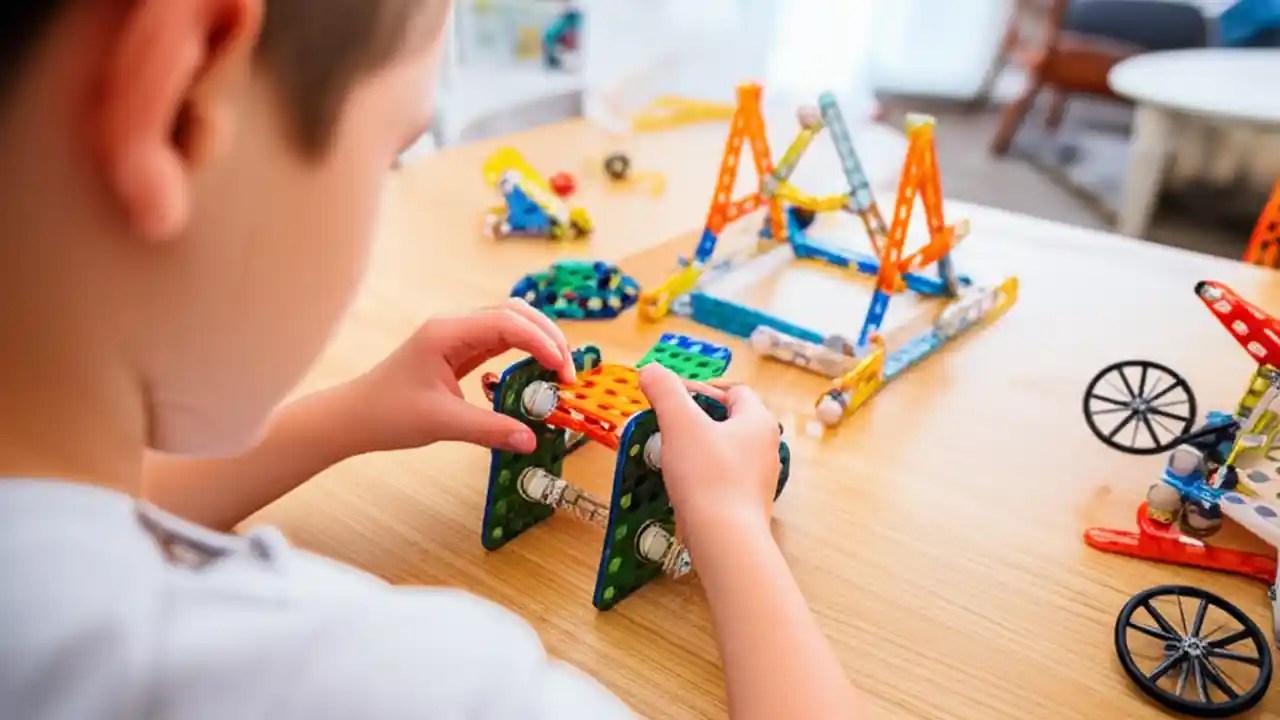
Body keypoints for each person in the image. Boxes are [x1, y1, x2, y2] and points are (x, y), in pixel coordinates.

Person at [0, 1, 862, 718]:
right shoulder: (403, 685)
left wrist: (349, 415)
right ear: (177, 104)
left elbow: (78, 512)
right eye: (393, 152)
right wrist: (734, 531)